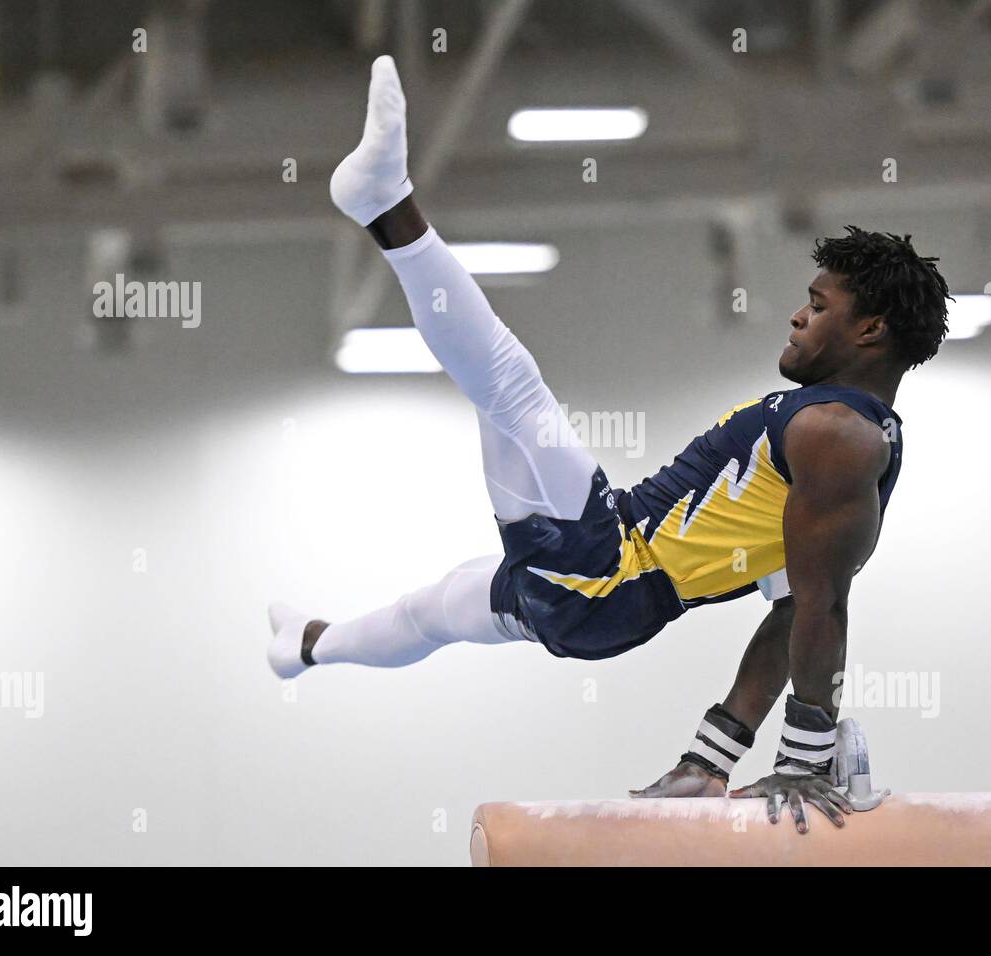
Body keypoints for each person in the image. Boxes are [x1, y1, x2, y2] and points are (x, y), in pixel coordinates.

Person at [268, 56, 951, 834]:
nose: (797, 317)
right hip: (592, 600)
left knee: (510, 386)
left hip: (608, 569)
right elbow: (791, 611)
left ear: (869, 330)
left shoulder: (837, 435)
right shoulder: (851, 444)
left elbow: (821, 609)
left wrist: (804, 754)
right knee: (433, 611)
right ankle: (308, 645)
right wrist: (710, 760)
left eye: (817, 305)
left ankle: (388, 209)